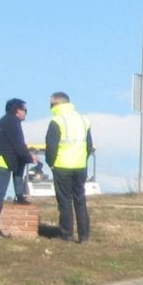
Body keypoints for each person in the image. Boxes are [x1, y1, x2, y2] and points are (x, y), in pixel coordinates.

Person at [45, 91, 93, 243]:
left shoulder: (57, 120)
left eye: (51, 103)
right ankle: (84, 236)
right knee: (80, 200)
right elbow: (89, 145)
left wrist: (51, 163)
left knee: (65, 201)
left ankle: (66, 234)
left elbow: (51, 147)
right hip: (80, 166)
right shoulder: (83, 119)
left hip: (62, 165)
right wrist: (83, 160)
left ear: (57, 103)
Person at [0, 98, 31, 238]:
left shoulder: (8, 121)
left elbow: (17, 148)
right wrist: (30, 157)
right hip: (0, 162)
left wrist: (26, 157)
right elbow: (19, 145)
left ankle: (19, 196)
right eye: (25, 110)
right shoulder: (12, 122)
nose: (26, 113)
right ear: (17, 110)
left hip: (2, 159)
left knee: (21, 162)